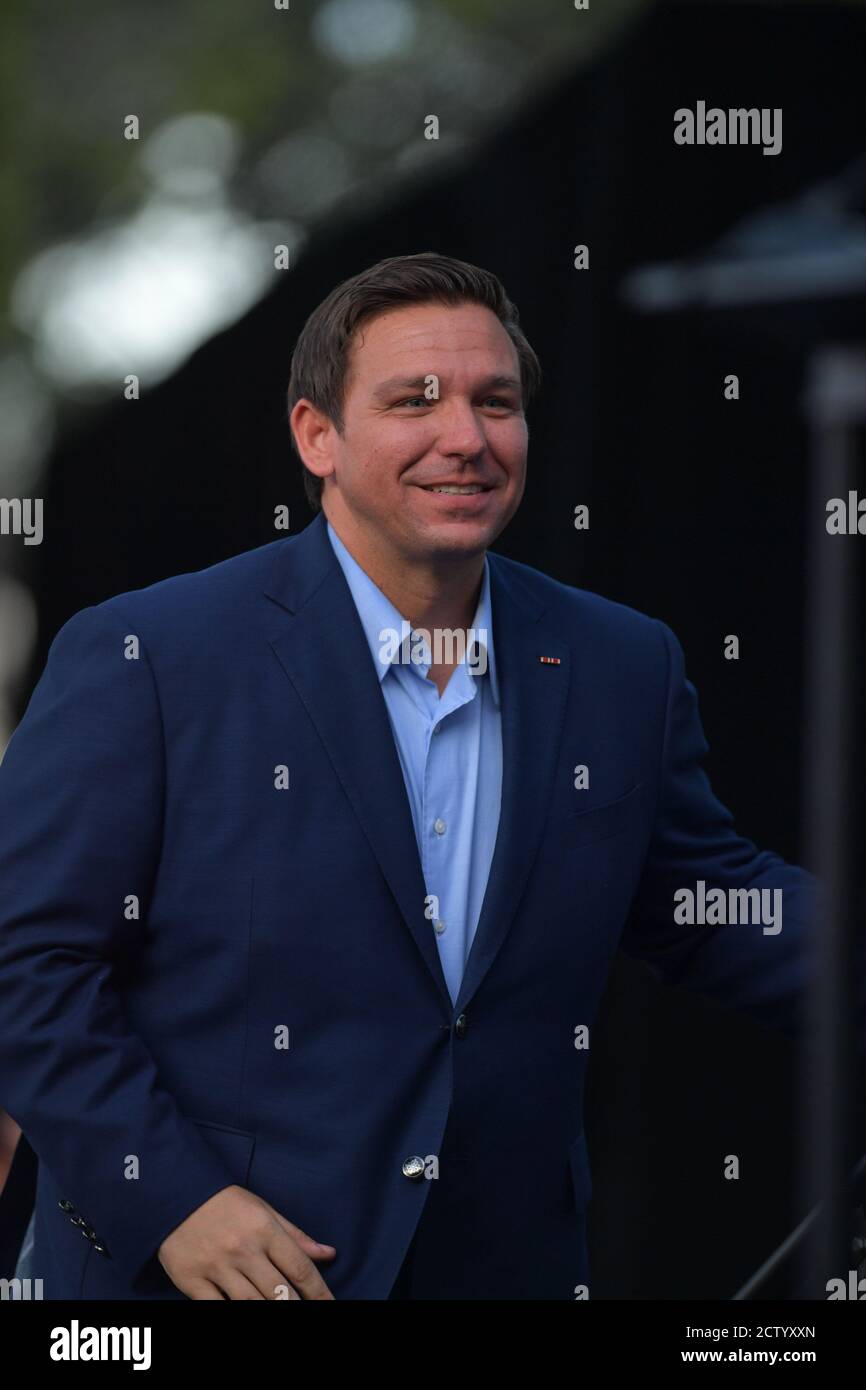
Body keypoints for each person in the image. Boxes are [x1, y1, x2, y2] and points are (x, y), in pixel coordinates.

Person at [0, 252, 861, 1300]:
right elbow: (27, 962)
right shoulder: (149, 654)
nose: (465, 437)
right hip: (206, 1276)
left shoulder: (619, 663)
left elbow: (701, 901)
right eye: (416, 400)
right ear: (316, 435)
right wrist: (171, 1199)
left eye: (494, 402)